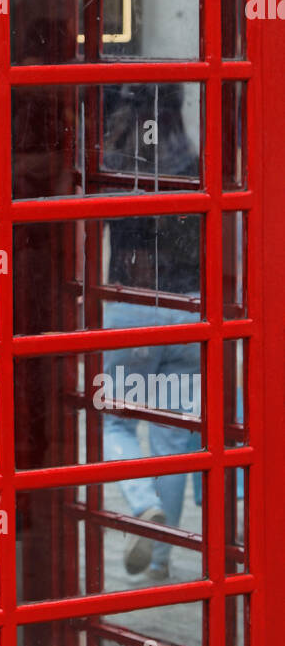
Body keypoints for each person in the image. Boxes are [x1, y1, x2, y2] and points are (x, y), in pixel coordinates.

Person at [101, 83, 202, 581]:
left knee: (114, 422)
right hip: (189, 314)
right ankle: (161, 558)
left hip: (130, 310)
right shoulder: (195, 161)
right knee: (173, 440)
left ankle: (142, 507)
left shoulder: (117, 163)